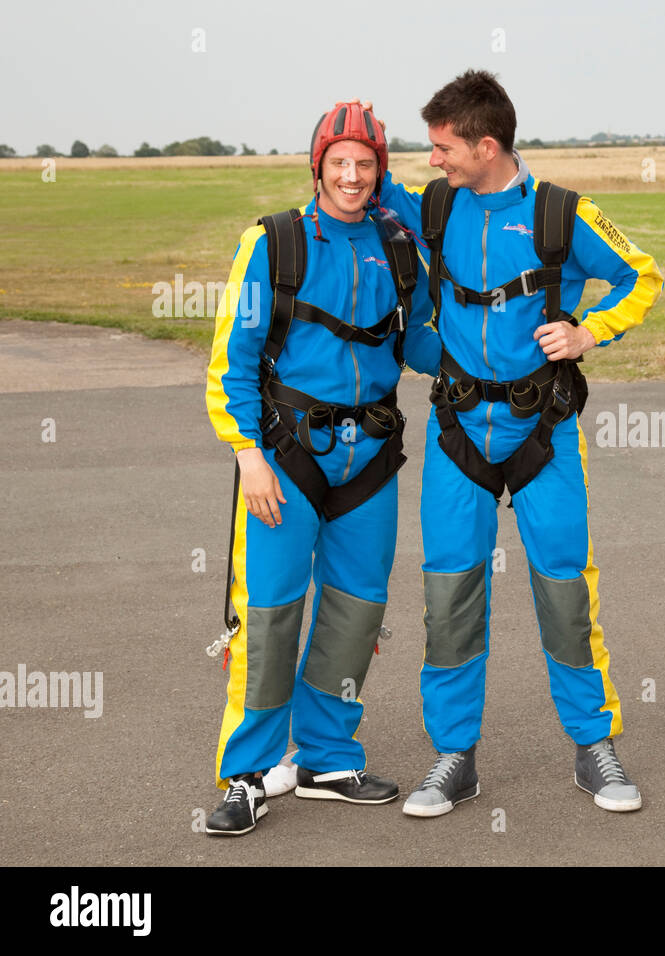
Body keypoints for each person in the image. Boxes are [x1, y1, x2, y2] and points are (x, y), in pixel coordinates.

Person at [376, 71, 663, 816]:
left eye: (443, 147)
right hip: (458, 433)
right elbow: (367, 188)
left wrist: (589, 330)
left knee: (566, 589)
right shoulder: (436, 205)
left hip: (545, 434)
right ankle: (454, 757)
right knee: (450, 596)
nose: (432, 159)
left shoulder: (562, 215)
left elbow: (644, 275)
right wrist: (359, 134)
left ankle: (593, 747)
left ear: (487, 145)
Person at [203, 102, 440, 836]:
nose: (351, 175)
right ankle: (248, 774)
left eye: (365, 164)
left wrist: (508, 351)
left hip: (369, 459)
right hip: (286, 458)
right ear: (317, 168)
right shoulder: (273, 243)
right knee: (270, 617)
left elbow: (427, 344)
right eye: (339, 162)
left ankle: (327, 758)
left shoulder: (396, 247)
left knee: (355, 610)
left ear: (380, 172)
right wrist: (248, 456)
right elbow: (231, 365)